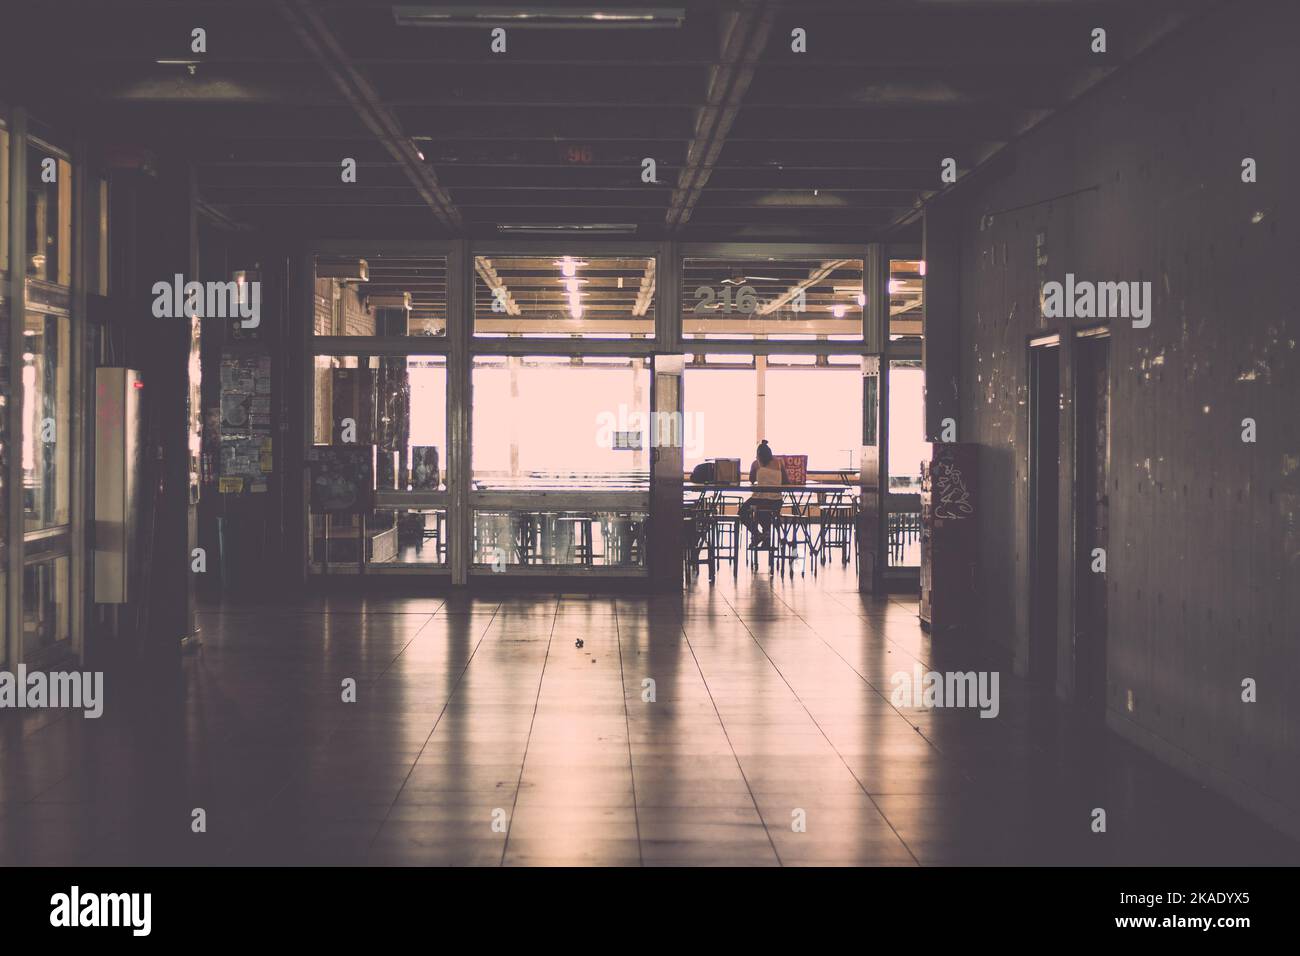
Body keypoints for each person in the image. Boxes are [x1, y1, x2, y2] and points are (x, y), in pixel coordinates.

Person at [739, 440, 784, 546]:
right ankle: (766, 536)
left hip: (760, 500)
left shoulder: (756, 463)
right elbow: (785, 481)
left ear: (758, 454)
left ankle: (758, 534)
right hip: (777, 501)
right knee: (765, 511)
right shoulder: (779, 462)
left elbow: (751, 480)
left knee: (742, 513)